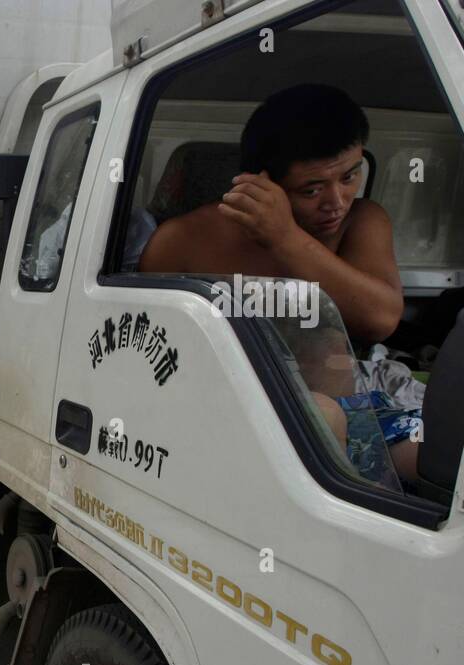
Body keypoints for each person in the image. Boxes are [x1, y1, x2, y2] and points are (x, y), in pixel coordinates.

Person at [139, 84, 420, 482]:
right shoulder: (182, 242)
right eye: (312, 189)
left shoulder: (362, 220)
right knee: (324, 418)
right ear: (260, 183)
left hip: (356, 402)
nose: (336, 201)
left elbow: (381, 318)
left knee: (444, 460)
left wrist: (286, 238)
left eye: (349, 176)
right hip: (241, 409)